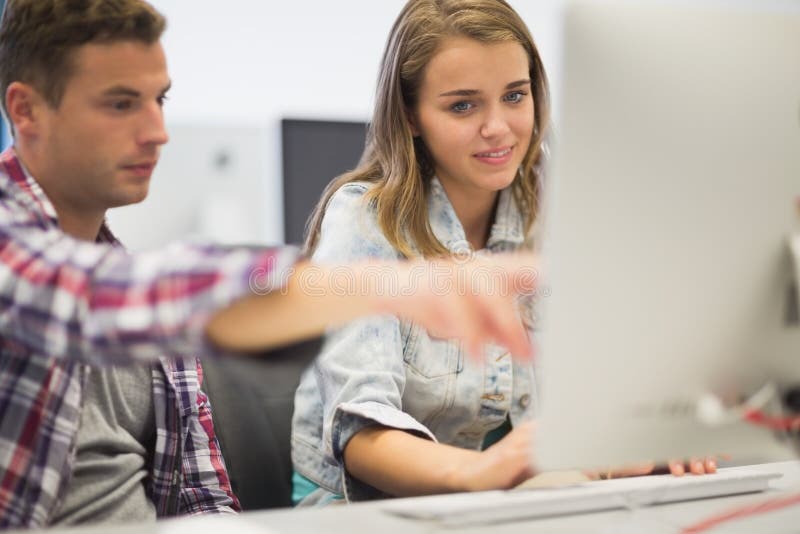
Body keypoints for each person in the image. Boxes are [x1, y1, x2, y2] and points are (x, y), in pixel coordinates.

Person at [0, 0, 537, 528]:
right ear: (25, 110)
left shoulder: (120, 276)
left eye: (159, 99)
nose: (157, 130)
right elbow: (96, 293)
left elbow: (201, 496)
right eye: (120, 104)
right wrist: (381, 285)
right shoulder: (30, 261)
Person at [291, 0, 716, 506]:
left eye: (515, 95)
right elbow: (362, 437)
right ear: (410, 115)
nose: (498, 127)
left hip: (524, 499)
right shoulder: (364, 221)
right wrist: (490, 472)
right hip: (367, 507)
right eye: (463, 106)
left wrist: (643, 443)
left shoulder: (562, 212)